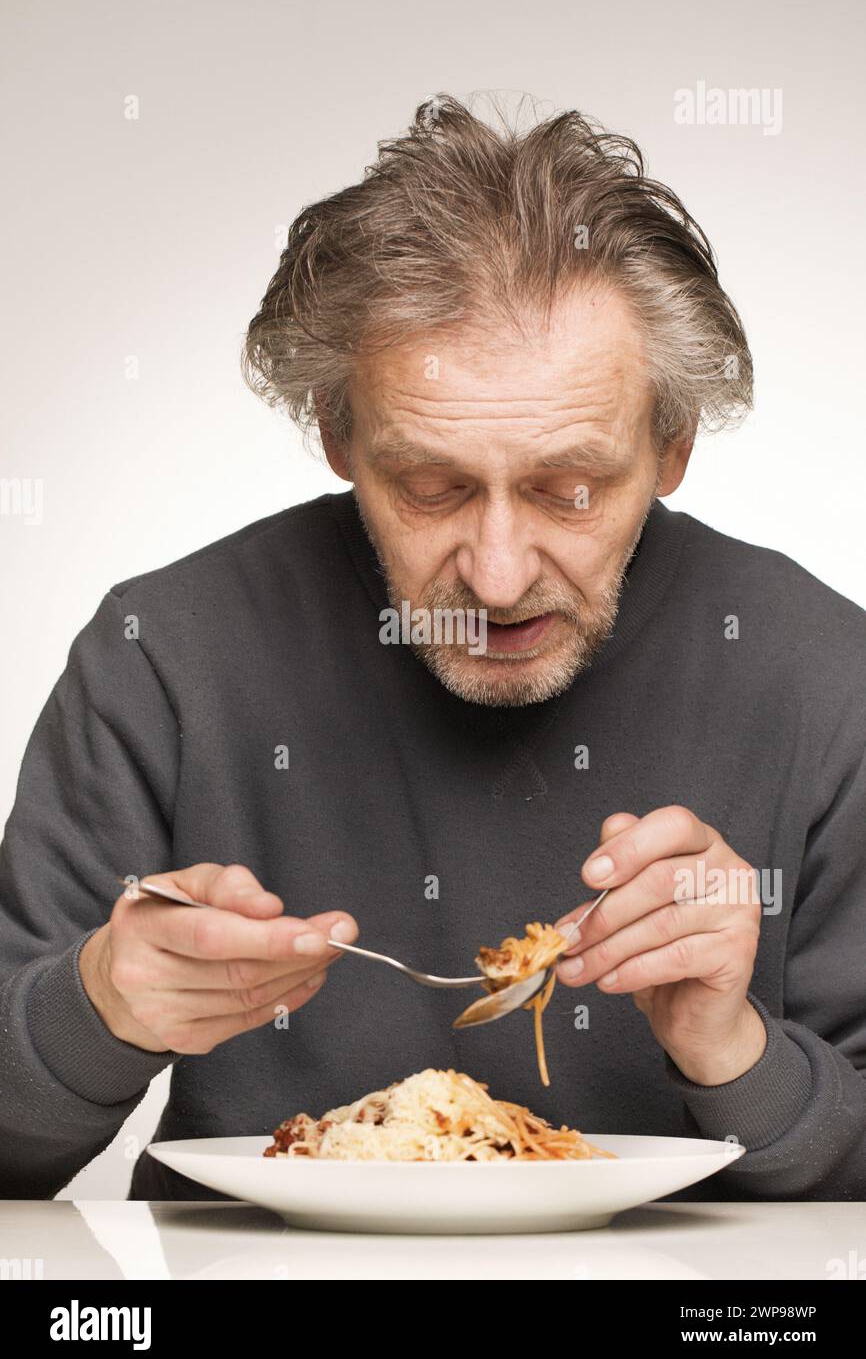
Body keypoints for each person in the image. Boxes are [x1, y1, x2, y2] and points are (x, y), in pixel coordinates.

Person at [2, 94, 864, 1201]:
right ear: (336, 435)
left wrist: (731, 1047)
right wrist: (98, 1011)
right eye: (428, 486)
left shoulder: (820, 674)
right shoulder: (162, 656)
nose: (497, 577)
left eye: (568, 489)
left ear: (672, 445)